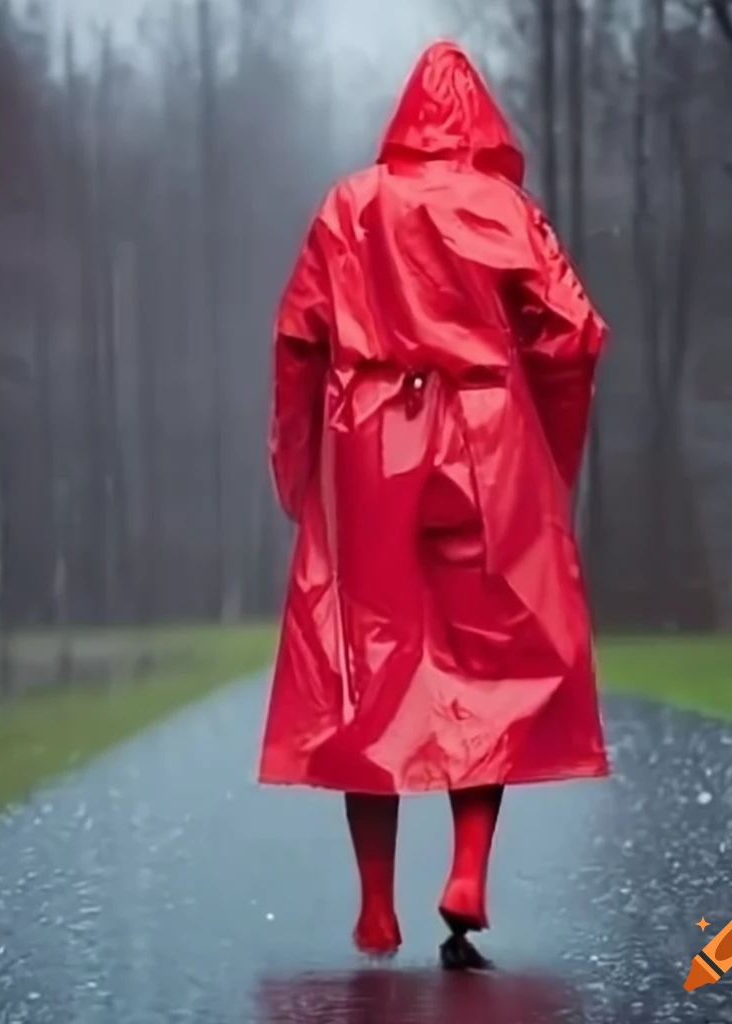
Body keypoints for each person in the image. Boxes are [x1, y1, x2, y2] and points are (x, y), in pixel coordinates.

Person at [257, 40, 610, 969]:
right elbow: (573, 333)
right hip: (487, 436)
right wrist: (550, 454)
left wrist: (298, 466)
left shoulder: (350, 205)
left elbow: (298, 339)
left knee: (366, 663)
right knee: (490, 656)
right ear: (484, 121)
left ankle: (376, 905)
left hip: (371, 440)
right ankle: (468, 871)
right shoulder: (505, 209)